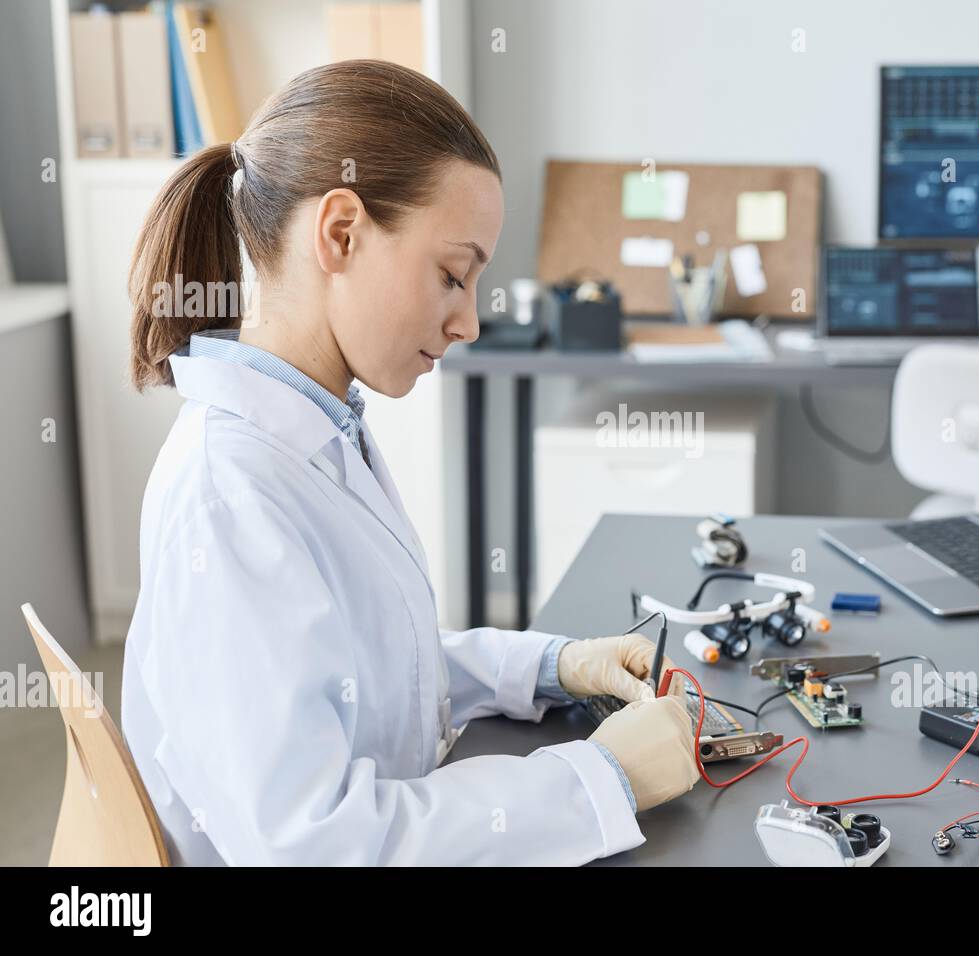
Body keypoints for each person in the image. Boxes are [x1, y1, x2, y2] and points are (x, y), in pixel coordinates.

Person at [120, 60, 699, 866]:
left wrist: (551, 665)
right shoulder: (230, 493)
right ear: (341, 233)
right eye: (452, 275)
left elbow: (368, 673)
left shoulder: (319, 425)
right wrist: (600, 779)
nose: (467, 321)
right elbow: (311, 842)